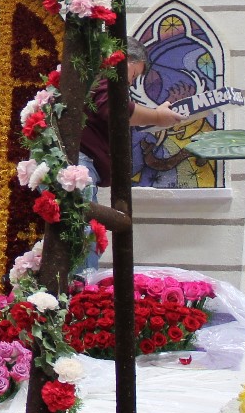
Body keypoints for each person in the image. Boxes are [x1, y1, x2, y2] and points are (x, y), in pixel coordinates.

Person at [74, 40, 218, 278]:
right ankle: (79, 292)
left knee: (86, 234)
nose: (131, 82)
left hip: (86, 168)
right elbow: (112, 107)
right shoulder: (104, 75)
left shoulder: (100, 77)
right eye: (133, 74)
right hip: (80, 167)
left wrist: (156, 116)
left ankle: (80, 288)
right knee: (81, 235)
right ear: (125, 62)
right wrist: (157, 117)